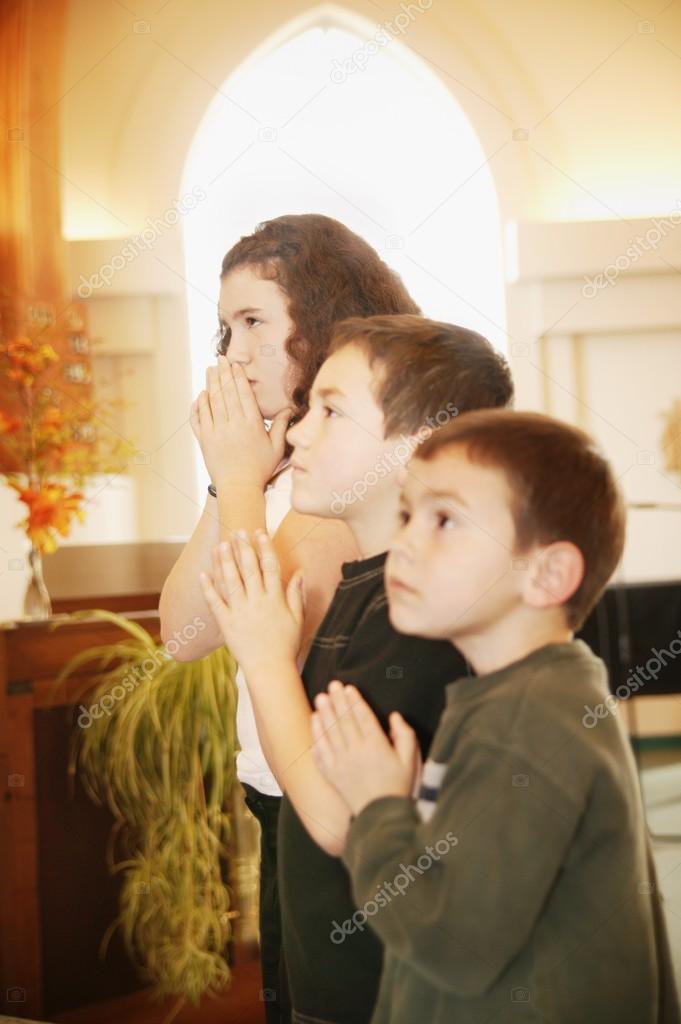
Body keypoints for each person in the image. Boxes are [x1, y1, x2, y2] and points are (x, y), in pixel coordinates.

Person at [308, 409, 681, 1024]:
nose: (404, 542)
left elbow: (450, 942)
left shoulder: (529, 721)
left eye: (446, 520)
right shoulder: (525, 696)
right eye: (407, 515)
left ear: (547, 573)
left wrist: (378, 806)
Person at [198, 314, 514, 1023]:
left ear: (426, 443)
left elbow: (340, 818)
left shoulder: (430, 609)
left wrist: (264, 655)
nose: (300, 431)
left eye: (332, 411)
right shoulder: (371, 583)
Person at [159, 214, 420, 1022]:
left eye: (254, 324)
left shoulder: (345, 476)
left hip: (334, 801)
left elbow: (281, 636)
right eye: (224, 326)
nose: (230, 354)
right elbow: (181, 636)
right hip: (274, 794)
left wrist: (239, 481)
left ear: (322, 319)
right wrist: (228, 485)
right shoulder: (279, 466)